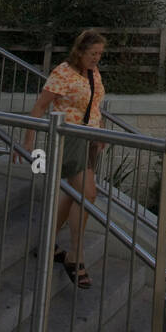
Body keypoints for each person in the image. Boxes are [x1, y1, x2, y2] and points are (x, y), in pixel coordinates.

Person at [20, 31, 106, 289]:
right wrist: (28, 141)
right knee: (87, 194)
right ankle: (75, 256)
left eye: (100, 54)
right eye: (93, 53)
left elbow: (93, 105)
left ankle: (47, 245)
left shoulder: (92, 72)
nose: (96, 58)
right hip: (69, 138)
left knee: (71, 194)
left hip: (89, 138)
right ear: (79, 51)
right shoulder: (64, 72)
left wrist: (100, 131)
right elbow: (41, 106)